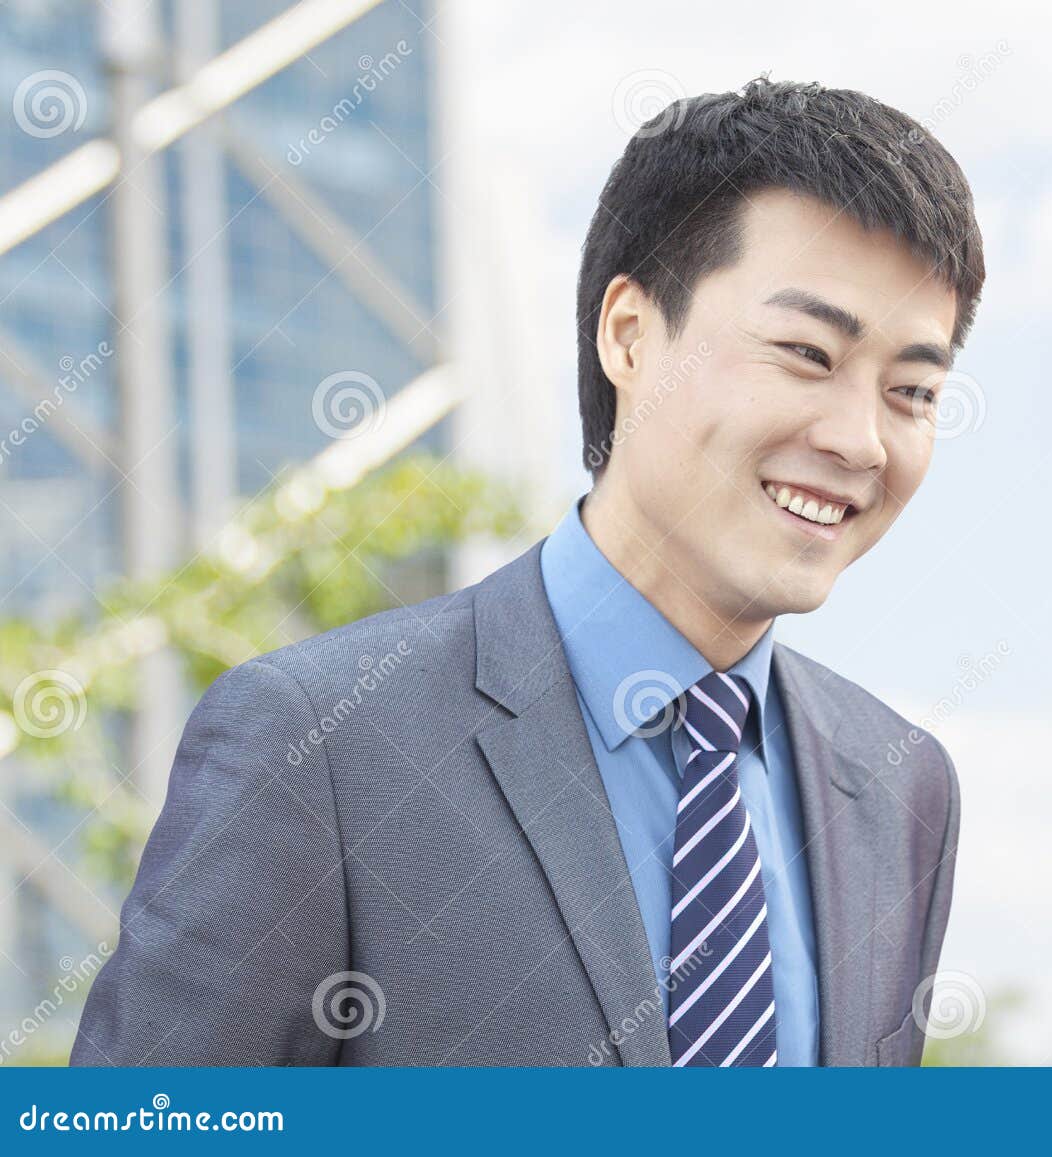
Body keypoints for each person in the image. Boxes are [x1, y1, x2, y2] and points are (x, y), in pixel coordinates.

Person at [71, 77, 983, 1068]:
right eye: (807, 352)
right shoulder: (317, 747)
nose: (858, 439)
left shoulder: (901, 790)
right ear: (629, 334)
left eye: (912, 390)